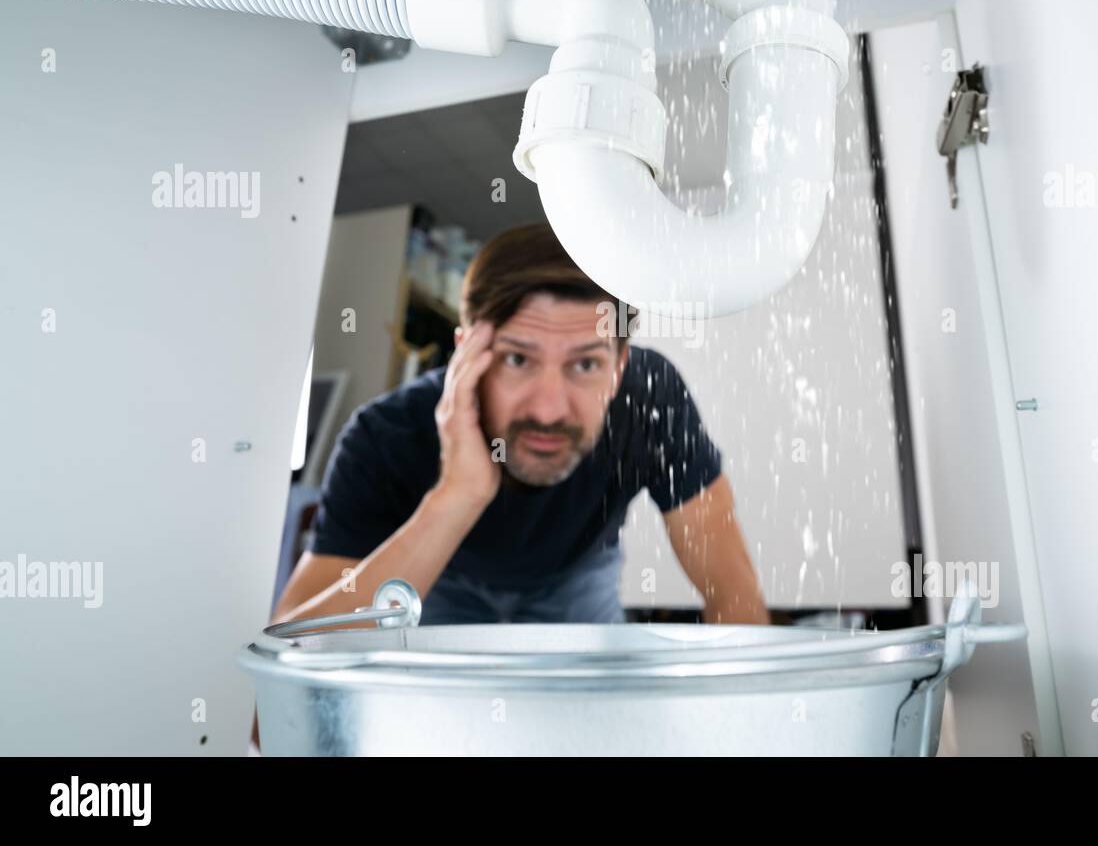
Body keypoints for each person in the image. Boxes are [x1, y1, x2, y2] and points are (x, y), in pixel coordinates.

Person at [272, 222, 768, 627]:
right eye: (517, 360)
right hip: (438, 575)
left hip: (577, 576)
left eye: (586, 365)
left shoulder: (651, 398)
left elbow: (733, 593)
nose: (549, 410)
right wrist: (457, 495)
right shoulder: (386, 435)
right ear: (469, 354)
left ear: (619, 369)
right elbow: (292, 653)